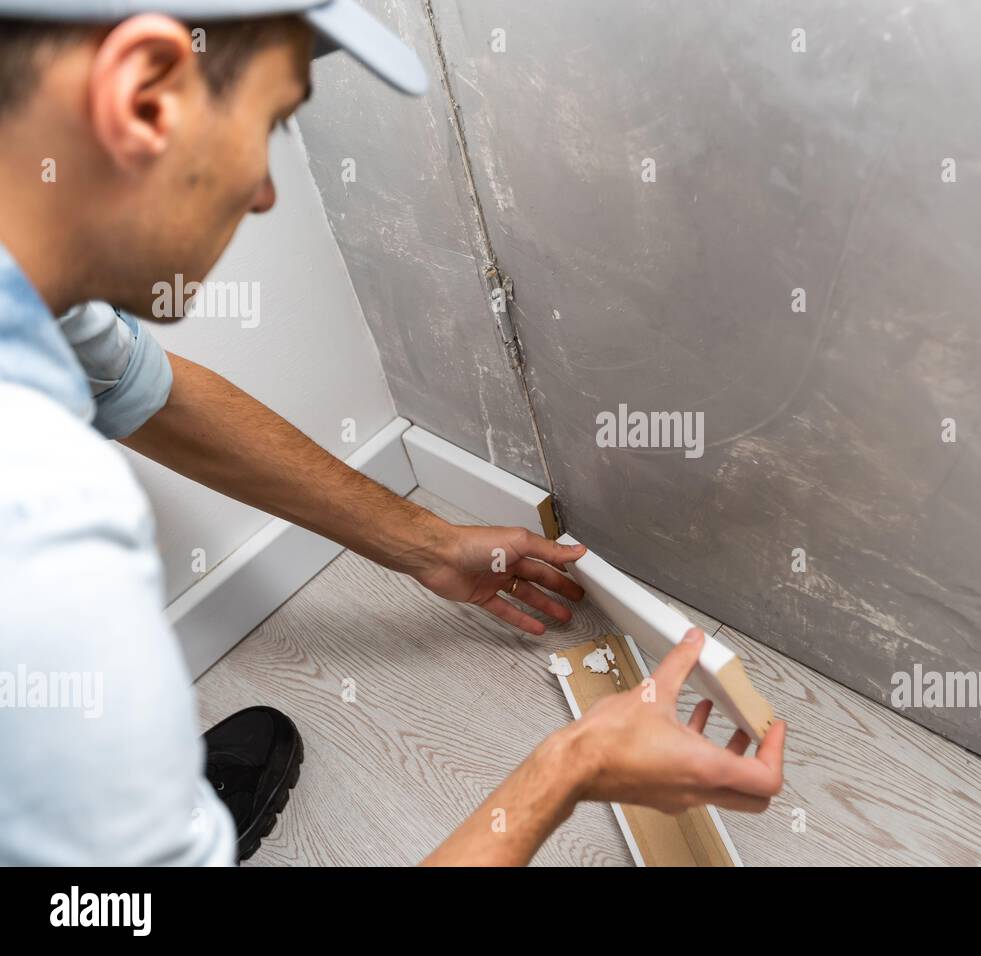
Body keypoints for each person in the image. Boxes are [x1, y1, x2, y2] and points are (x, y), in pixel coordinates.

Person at [0, 1, 786, 866]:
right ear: (144, 96)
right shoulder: (41, 532)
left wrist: (428, 544)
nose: (264, 193)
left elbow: (140, 388)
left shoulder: (33, 278)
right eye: (269, 122)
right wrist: (572, 766)